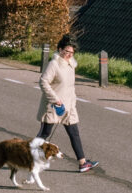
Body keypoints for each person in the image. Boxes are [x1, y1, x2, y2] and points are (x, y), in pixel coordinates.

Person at [38, 34, 95, 172]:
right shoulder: (54, 64)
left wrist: (72, 104)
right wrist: (55, 99)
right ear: (60, 49)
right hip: (53, 106)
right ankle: (26, 157)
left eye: (71, 52)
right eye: (66, 51)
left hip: (68, 107)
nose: (69, 54)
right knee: (44, 135)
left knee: (74, 133)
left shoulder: (71, 66)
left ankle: (82, 163)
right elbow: (43, 82)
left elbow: (70, 87)